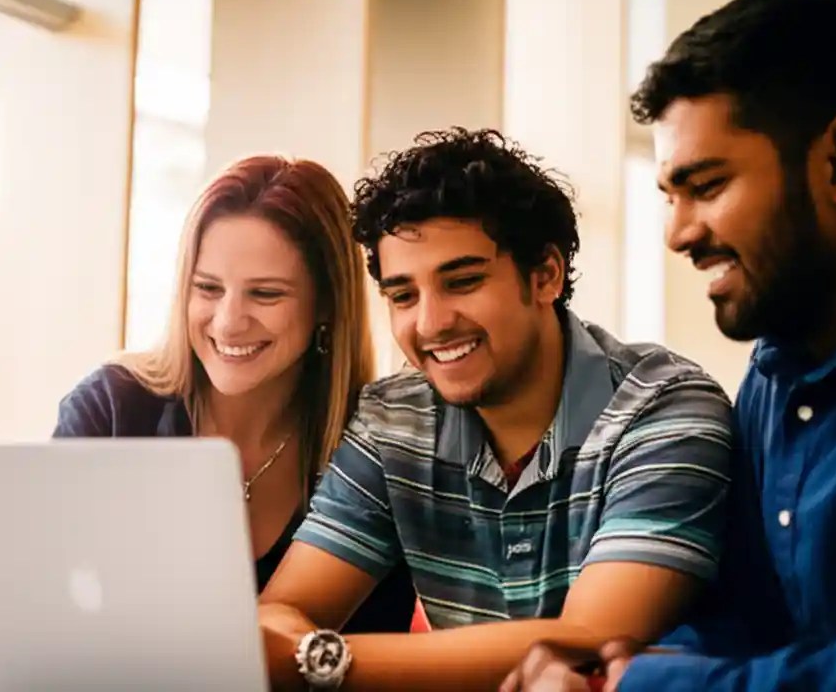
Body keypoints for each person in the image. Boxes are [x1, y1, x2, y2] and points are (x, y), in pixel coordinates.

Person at [504, 0, 836, 691]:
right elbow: (739, 620)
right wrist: (606, 669)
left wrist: (645, 686)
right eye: (669, 196)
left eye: (707, 186)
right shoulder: (775, 376)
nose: (678, 233)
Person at [256, 128, 736, 690]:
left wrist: (322, 661)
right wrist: (291, 647)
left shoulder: (666, 408)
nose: (431, 324)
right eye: (403, 296)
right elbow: (278, 617)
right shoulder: (393, 419)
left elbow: (590, 644)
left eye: (462, 282)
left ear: (546, 275)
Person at [54, 155, 416, 633]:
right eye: (207, 288)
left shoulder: (376, 444)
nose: (228, 322)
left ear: (327, 303)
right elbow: (48, 603)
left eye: (265, 294)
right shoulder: (112, 409)